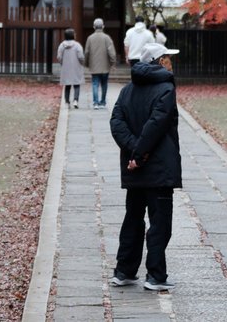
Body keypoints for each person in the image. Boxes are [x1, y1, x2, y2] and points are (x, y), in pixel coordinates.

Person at [109, 41, 181, 292]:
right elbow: (157, 124)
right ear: (159, 61)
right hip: (157, 167)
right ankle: (156, 275)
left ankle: (124, 271)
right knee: (160, 223)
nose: (171, 62)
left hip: (135, 168)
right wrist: (139, 154)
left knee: (133, 219)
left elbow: (117, 121)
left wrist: (132, 152)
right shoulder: (166, 88)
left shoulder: (127, 90)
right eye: (167, 57)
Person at [84, 18, 116, 109]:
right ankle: (102, 102)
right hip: (105, 66)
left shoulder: (90, 38)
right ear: (103, 26)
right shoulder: (107, 38)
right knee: (104, 84)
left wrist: (86, 63)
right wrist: (113, 63)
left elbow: (86, 52)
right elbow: (111, 52)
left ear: (94, 27)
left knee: (95, 84)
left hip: (94, 66)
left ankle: (95, 103)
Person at [56, 27, 85, 109]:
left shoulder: (62, 45)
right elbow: (81, 56)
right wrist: (81, 63)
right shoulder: (77, 45)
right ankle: (75, 100)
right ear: (73, 35)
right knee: (76, 85)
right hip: (76, 67)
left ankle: (67, 102)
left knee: (67, 85)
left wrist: (62, 63)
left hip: (66, 68)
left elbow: (59, 57)